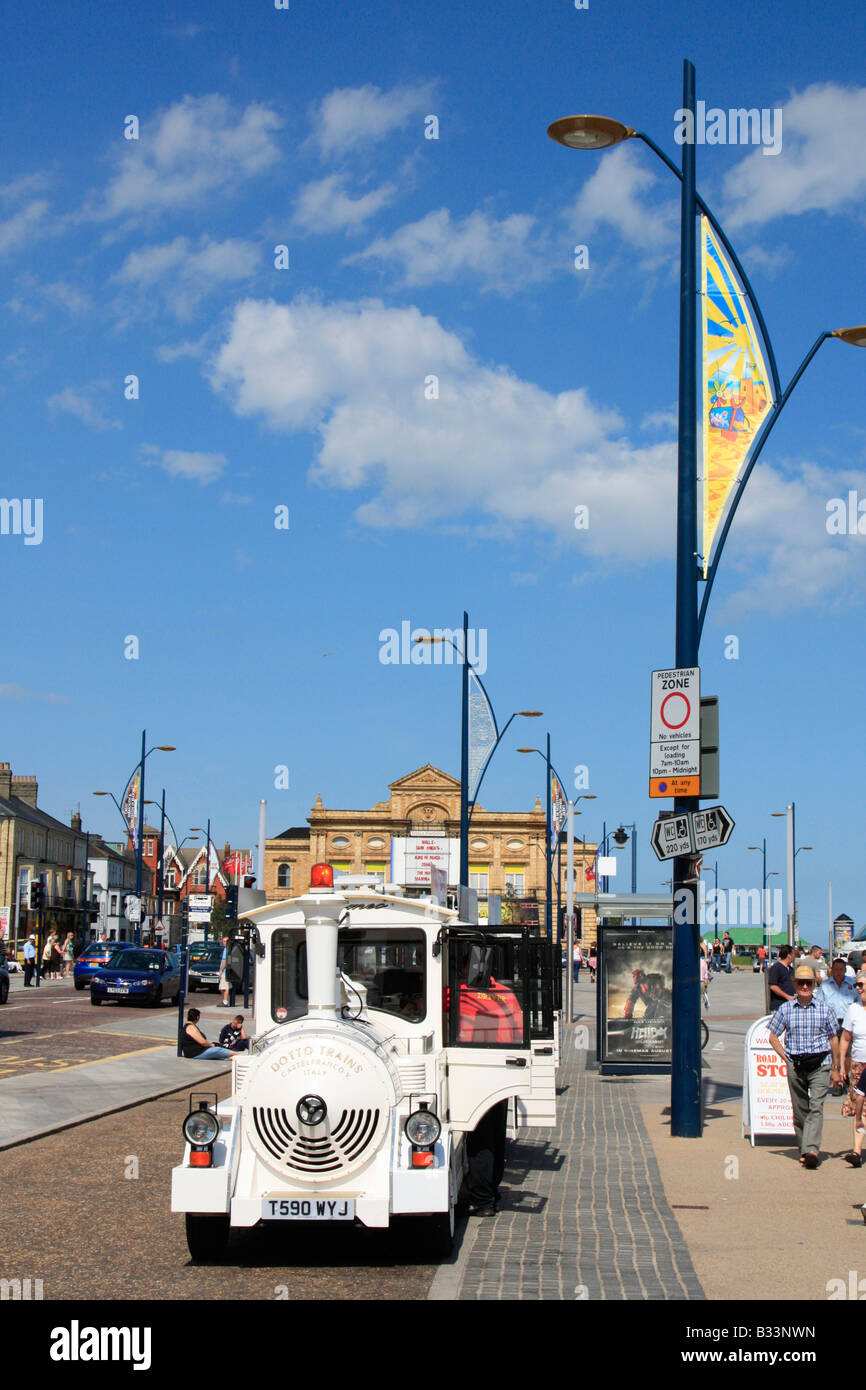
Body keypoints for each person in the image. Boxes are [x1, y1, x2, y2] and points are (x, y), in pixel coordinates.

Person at [768, 964, 842, 1167]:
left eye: (808, 983)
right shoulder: (786, 1009)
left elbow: (834, 1038)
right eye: (800, 982)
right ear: (795, 984)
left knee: (816, 1106)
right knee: (800, 1110)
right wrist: (786, 1058)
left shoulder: (824, 1009)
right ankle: (803, 1147)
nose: (804, 986)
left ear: (813, 985)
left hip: (820, 1064)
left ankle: (811, 1150)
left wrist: (836, 1067)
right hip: (796, 1064)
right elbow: (773, 1036)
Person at [840, 974, 866, 1163]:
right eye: (856, 985)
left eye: (861, 984)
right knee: (860, 1106)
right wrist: (841, 1064)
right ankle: (857, 1151)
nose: (858, 988)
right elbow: (846, 1038)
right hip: (858, 1064)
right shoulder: (853, 1009)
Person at [767, 945, 796, 1013]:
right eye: (793, 954)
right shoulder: (776, 968)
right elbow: (773, 986)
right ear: (789, 955)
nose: (794, 957)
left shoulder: (791, 969)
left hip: (790, 1005)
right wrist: (787, 996)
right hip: (778, 1006)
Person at [218, 935, 231, 1007]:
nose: (224, 943)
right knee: (222, 987)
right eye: (223, 941)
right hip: (226, 971)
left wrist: (221, 970)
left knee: (224, 987)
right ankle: (224, 1000)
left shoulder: (227, 949)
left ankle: (225, 1002)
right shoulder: (226, 949)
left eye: (226, 941)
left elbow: (225, 961)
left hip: (225, 971)